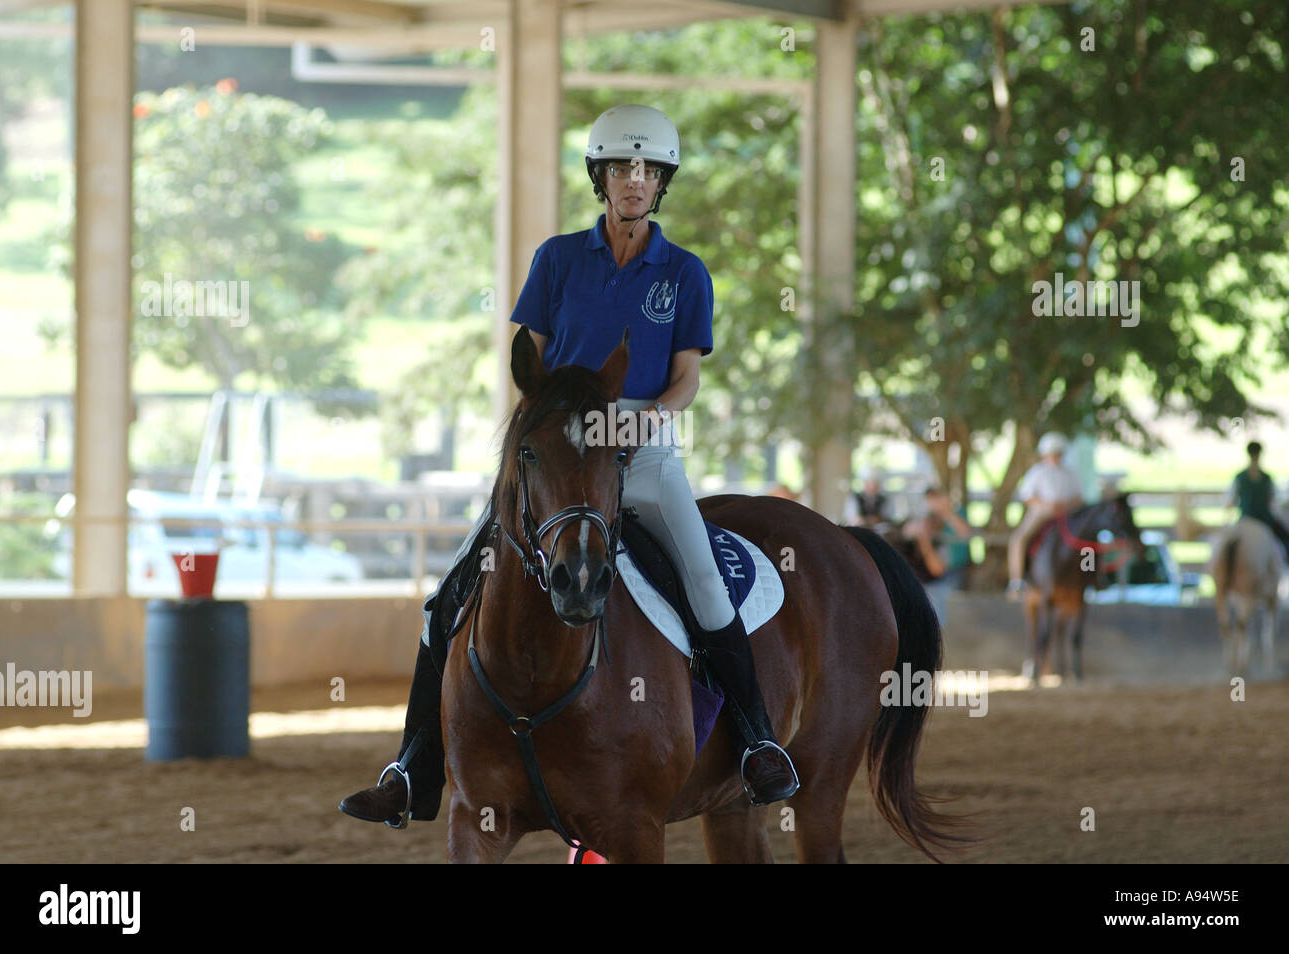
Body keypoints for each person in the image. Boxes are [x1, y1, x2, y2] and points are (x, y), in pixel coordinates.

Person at [339, 104, 799, 828]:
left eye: (648, 170)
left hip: (641, 456)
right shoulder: (556, 259)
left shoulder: (683, 272)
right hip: (555, 456)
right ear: (601, 177)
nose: (635, 180)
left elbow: (688, 377)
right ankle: (410, 768)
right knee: (447, 596)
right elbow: (533, 355)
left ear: (662, 183)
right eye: (621, 167)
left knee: (707, 584)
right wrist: (548, 425)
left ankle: (758, 744)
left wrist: (647, 417)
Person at [1006, 432, 1083, 600]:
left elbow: (1079, 497)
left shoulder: (1069, 473)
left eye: (1058, 453)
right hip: (1042, 513)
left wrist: (1065, 505)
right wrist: (1048, 505)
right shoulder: (1037, 472)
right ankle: (1017, 581)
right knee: (1018, 539)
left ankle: (1091, 574)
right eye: (1052, 453)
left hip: (1067, 514)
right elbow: (1027, 497)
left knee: (1086, 538)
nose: (1055, 456)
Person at [900, 486, 973, 625]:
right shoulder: (925, 520)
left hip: (953, 571)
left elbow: (965, 533)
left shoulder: (956, 514)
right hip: (928, 574)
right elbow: (908, 530)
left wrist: (946, 512)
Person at [1228, 441, 1289, 559]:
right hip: (1264, 520)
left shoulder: (1240, 477)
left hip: (1245, 518)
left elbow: (1231, 501)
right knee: (1285, 538)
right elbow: (1273, 501)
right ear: (1260, 455)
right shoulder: (1266, 478)